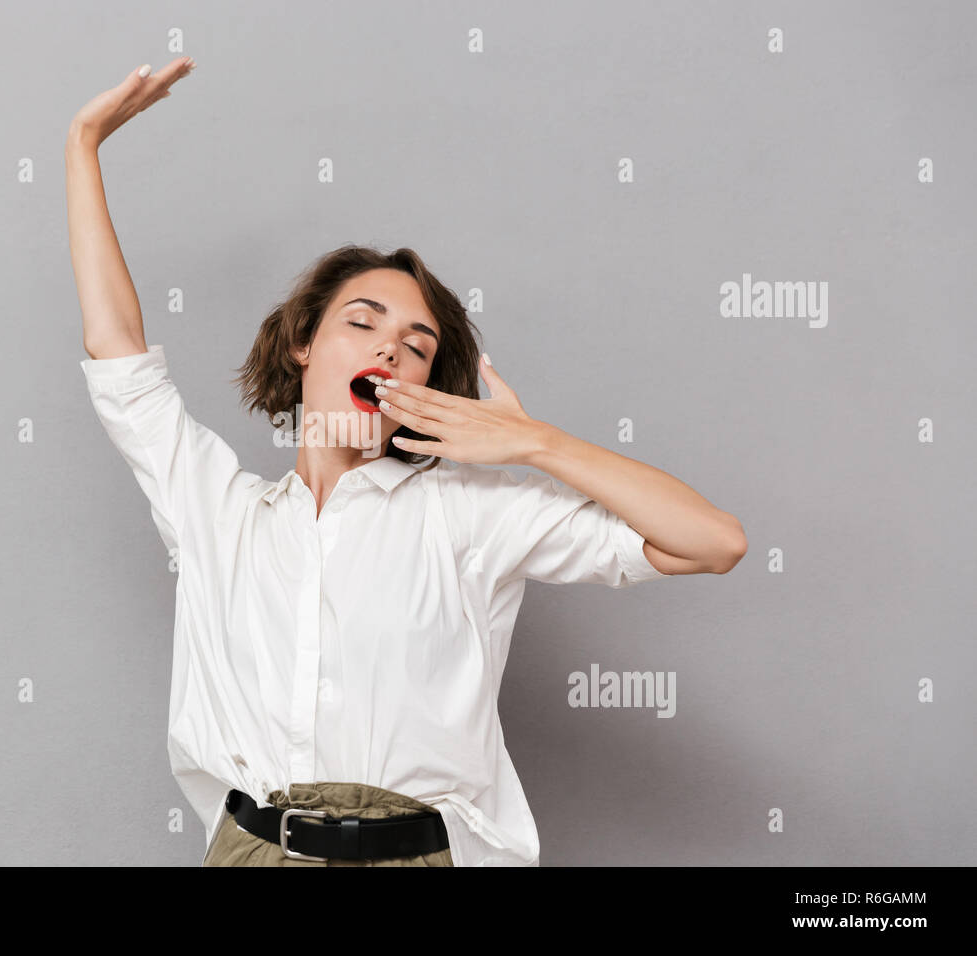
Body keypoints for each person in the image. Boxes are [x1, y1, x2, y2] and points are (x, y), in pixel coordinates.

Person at [66, 59, 748, 866]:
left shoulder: (469, 511)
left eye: (417, 345)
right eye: (364, 321)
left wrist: (538, 444)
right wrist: (82, 146)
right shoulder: (216, 509)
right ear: (304, 343)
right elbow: (116, 346)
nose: (392, 343)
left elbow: (712, 542)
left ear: (425, 385)